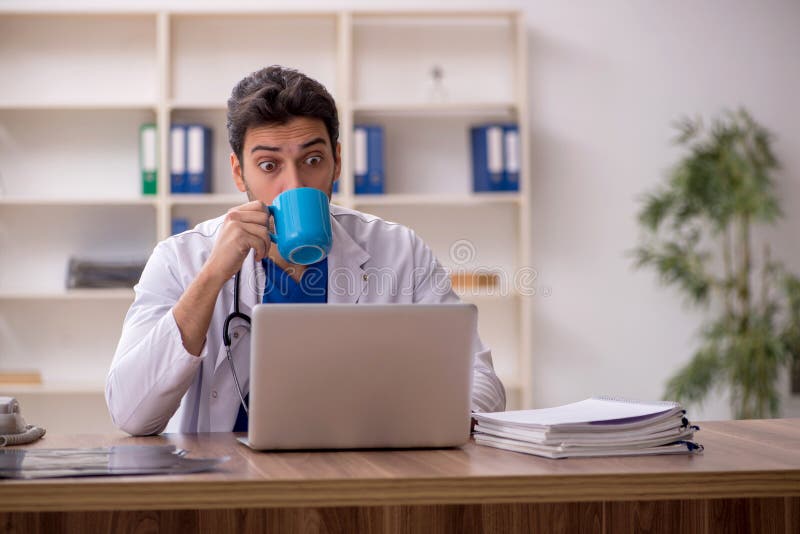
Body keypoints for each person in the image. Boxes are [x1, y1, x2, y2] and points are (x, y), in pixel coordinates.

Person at [106, 65, 506, 436]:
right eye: (268, 165)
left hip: (363, 470)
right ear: (237, 171)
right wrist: (211, 278)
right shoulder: (181, 258)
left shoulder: (400, 250)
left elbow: (481, 380)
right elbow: (131, 414)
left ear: (336, 163)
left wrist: (438, 422)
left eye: (312, 159)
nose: (294, 184)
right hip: (224, 487)